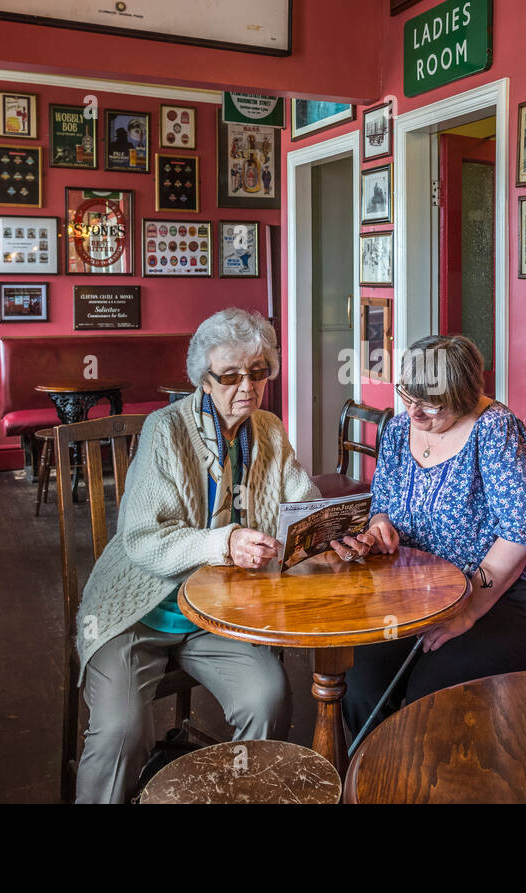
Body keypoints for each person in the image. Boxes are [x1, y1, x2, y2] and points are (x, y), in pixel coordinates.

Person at [74, 308, 373, 803]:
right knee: (121, 731)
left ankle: (243, 794)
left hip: (215, 613)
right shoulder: (164, 430)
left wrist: (339, 528)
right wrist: (225, 541)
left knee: (268, 697)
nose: (247, 387)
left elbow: (300, 503)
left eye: (258, 373)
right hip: (136, 611)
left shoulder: (269, 430)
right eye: (230, 375)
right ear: (203, 379)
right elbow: (142, 538)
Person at [342, 335, 526, 737]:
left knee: (428, 694)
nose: (414, 411)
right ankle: (375, 780)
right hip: (424, 590)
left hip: (513, 594)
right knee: (360, 683)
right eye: (407, 395)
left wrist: (469, 609)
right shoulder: (397, 429)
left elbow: (520, 532)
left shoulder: (496, 431)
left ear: (464, 397)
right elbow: (383, 503)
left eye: (431, 403)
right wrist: (381, 525)